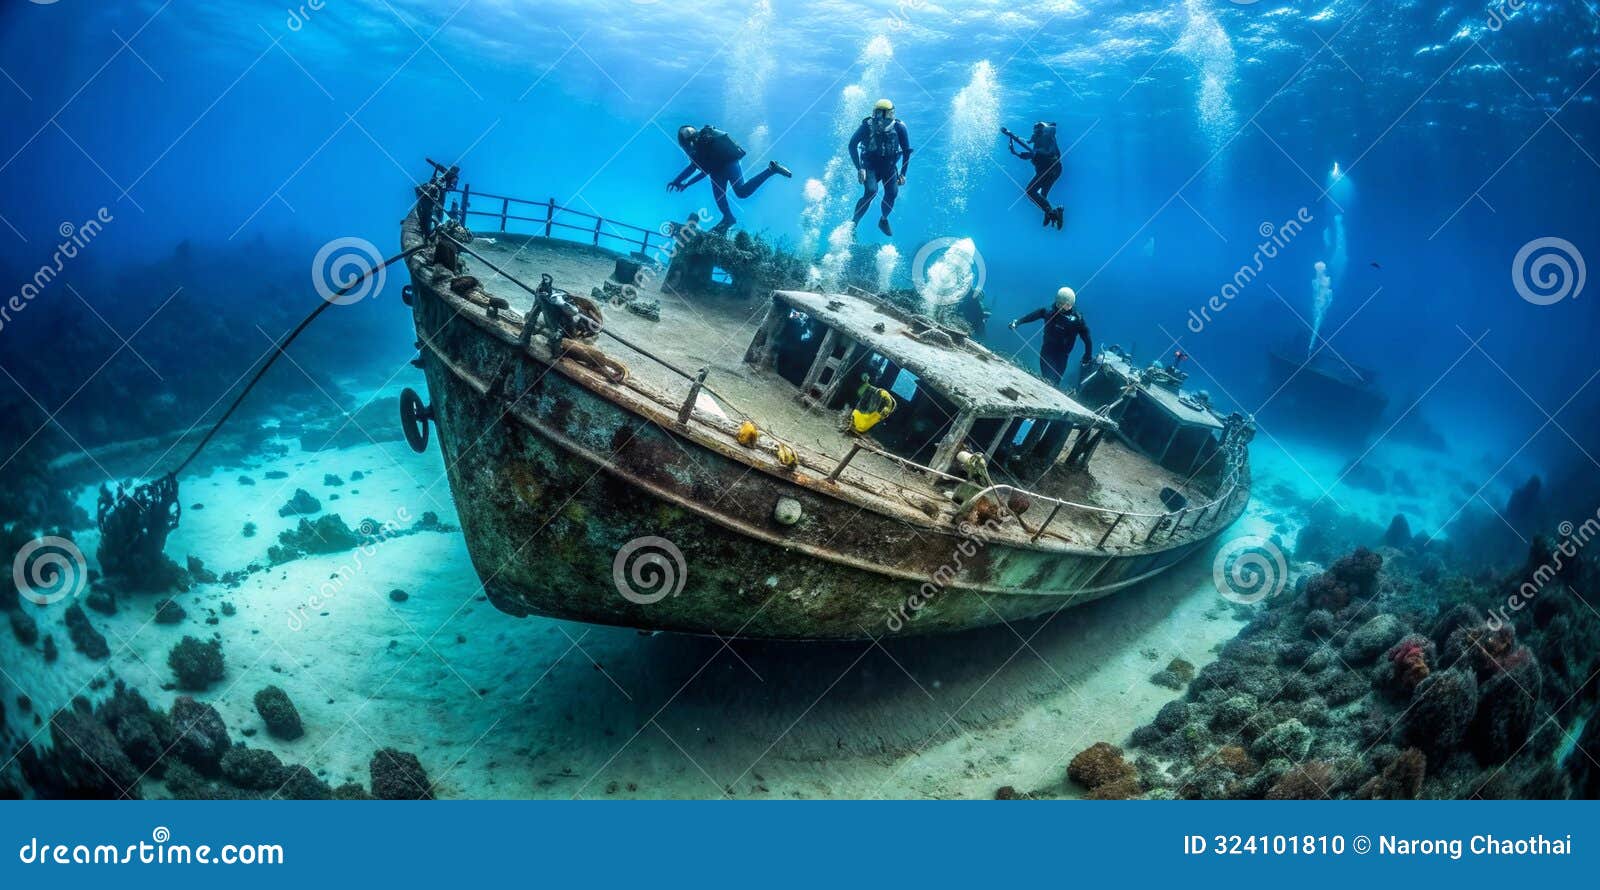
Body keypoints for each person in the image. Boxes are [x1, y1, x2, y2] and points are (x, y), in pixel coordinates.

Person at [667, 124, 791, 235]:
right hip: (725, 166)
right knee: (736, 193)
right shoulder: (703, 142)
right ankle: (728, 218)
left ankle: (728, 218)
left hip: (725, 166)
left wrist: (678, 181)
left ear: (685, 142)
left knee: (728, 195)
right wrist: (685, 183)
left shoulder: (697, 145)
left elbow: (694, 168)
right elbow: (704, 170)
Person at [848, 99, 913, 236]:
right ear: (874, 114)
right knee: (871, 191)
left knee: (892, 193)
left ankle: (883, 220)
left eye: (887, 115)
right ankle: (853, 223)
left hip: (889, 166)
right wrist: (859, 168)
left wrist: (903, 174)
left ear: (892, 114)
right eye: (878, 114)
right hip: (869, 165)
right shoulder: (867, 126)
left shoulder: (899, 127)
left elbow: (907, 151)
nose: (882, 120)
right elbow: (852, 145)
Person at [1009, 287, 1093, 388]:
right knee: (1048, 380)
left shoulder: (1077, 320)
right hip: (1047, 351)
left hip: (1063, 356)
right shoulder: (1049, 311)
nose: (1061, 307)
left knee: (1056, 383)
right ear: (1056, 301)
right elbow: (1031, 316)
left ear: (1071, 304)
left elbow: (1087, 339)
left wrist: (1087, 356)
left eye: (1065, 305)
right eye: (1059, 304)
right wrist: (1017, 322)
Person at [1003, 122, 1063, 229]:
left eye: (1036, 131)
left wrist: (1037, 152)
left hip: (1049, 169)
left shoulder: (1048, 138)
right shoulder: (1038, 142)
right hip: (1053, 171)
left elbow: (1049, 152)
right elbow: (1029, 154)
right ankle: (1051, 212)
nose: (1034, 135)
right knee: (1042, 195)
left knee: (1030, 191)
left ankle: (1052, 212)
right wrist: (1015, 152)